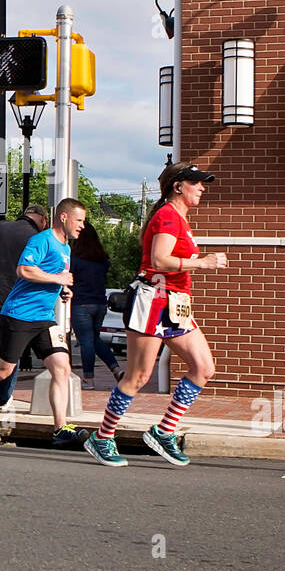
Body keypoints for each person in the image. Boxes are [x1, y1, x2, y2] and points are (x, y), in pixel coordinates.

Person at [83, 162, 227, 468]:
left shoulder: (179, 218)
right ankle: (103, 436)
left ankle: (163, 431)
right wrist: (202, 263)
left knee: (203, 367)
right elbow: (160, 259)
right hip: (154, 300)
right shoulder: (167, 216)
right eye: (197, 183)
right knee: (138, 376)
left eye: (203, 183)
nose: (202, 188)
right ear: (178, 186)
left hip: (175, 304)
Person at [0, 198, 89, 447]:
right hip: (20, 314)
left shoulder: (65, 248)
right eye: (79, 221)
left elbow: (51, 278)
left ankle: (60, 428)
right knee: (2, 370)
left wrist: (62, 289)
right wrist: (57, 279)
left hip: (45, 318)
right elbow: (23, 270)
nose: (83, 226)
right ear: (64, 217)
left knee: (62, 368)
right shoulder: (41, 240)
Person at [0, 204, 49, 413]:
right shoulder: (38, 238)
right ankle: (3, 398)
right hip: (16, 299)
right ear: (42, 219)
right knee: (12, 348)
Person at [69, 221, 124, 388]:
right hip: (100, 303)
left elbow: (69, 279)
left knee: (86, 341)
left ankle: (88, 379)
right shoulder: (102, 260)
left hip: (81, 303)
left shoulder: (75, 259)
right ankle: (116, 370)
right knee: (93, 339)